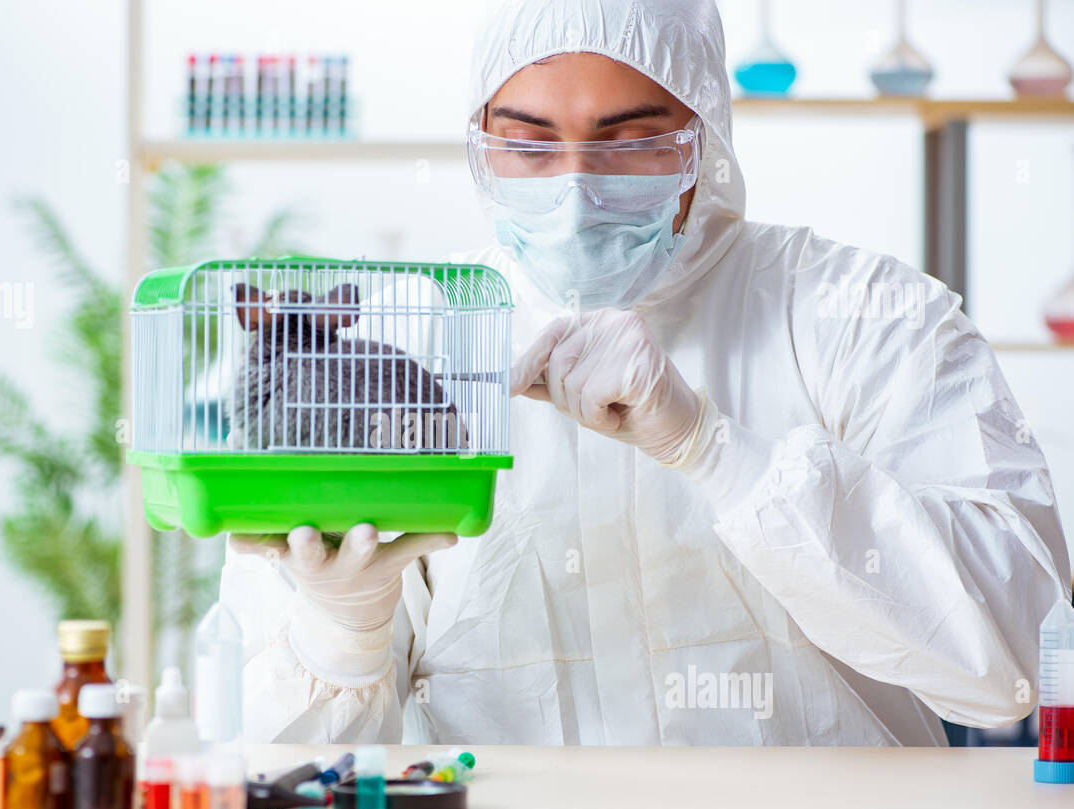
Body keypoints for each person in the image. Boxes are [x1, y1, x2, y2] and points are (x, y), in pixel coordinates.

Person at [220, 0, 1071, 745]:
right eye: (527, 144)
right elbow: (281, 763)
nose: (577, 189)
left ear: (705, 136)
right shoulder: (404, 345)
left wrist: (714, 450)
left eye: (631, 143)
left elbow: (1015, 666)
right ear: (480, 144)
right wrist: (342, 630)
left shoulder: (864, 316)